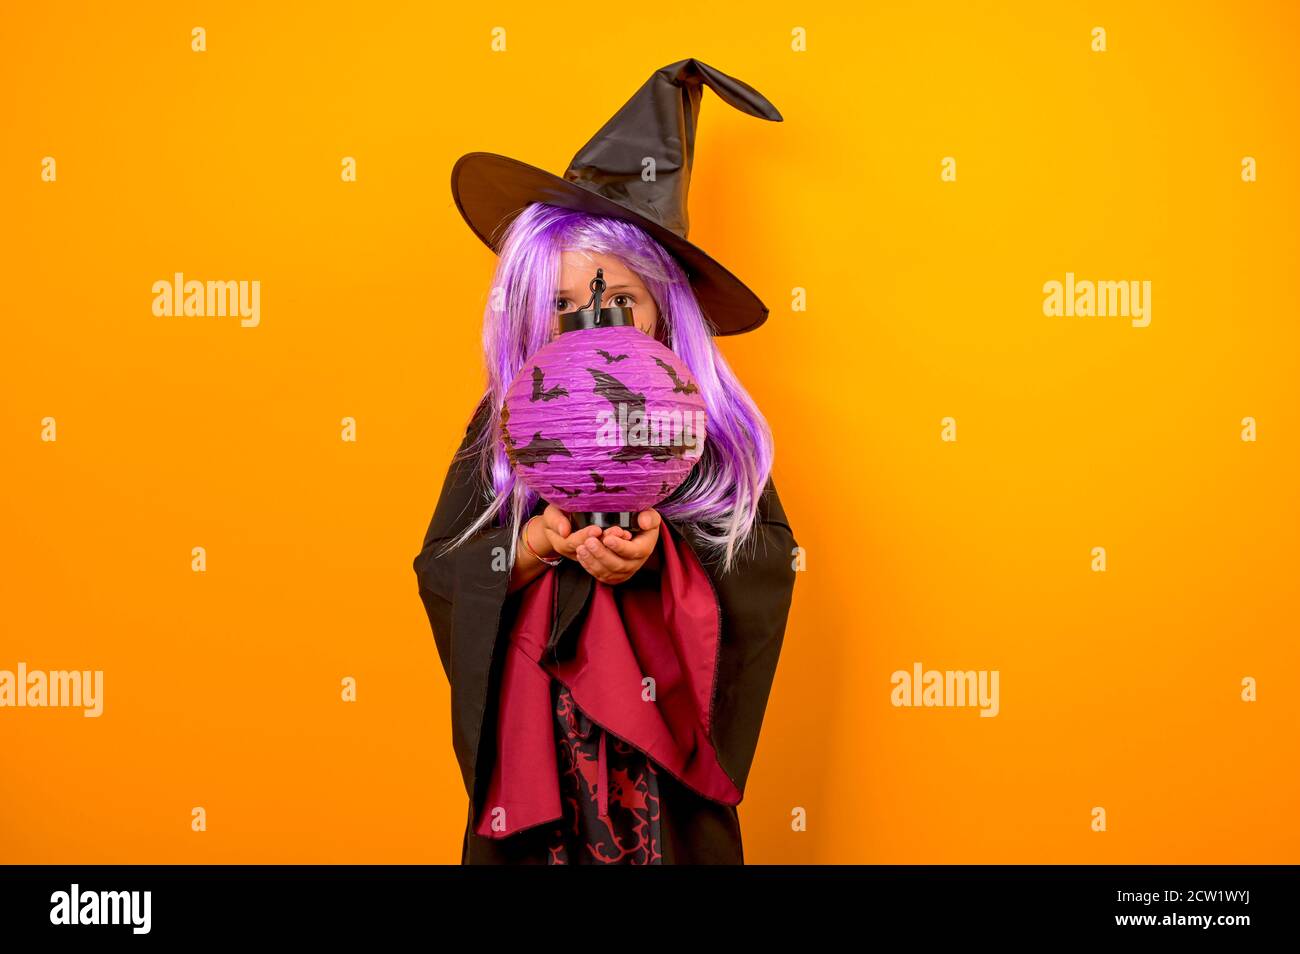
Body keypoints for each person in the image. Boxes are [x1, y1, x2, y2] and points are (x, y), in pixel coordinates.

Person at [413, 59, 796, 864]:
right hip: (537, 753)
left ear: (662, 310)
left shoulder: (704, 431)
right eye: (561, 306)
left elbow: (763, 572)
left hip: (662, 777)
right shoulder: (504, 426)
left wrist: (663, 565)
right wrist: (529, 550)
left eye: (618, 301)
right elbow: (444, 568)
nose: (589, 324)